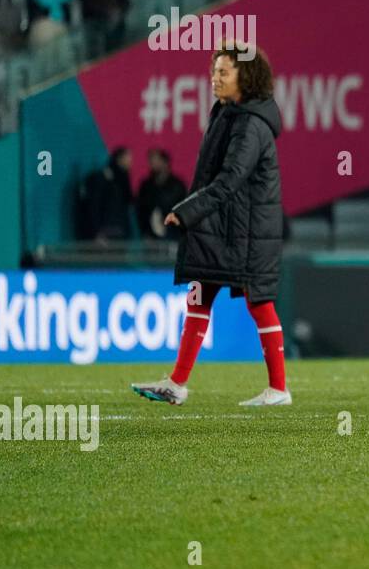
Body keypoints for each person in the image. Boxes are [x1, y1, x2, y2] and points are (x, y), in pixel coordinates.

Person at [131, 45, 288, 407]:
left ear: (245, 77)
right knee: (199, 295)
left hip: (246, 230)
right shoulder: (228, 113)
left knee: (258, 300)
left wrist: (187, 211)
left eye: (224, 73)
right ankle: (176, 383)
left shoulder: (251, 123)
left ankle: (279, 389)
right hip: (223, 227)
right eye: (214, 72)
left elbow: (230, 178)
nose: (214, 79)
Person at [76, 146, 134, 241]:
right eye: (127, 158)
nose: (130, 162)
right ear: (119, 159)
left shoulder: (124, 180)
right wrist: (96, 232)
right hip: (105, 234)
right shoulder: (102, 179)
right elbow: (94, 206)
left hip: (120, 233)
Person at [135, 148, 188, 239]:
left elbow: (183, 210)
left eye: (156, 160)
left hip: (173, 235)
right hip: (150, 237)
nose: (152, 163)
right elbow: (141, 210)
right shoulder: (145, 185)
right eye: (150, 160)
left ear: (165, 162)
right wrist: (144, 232)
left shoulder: (178, 185)